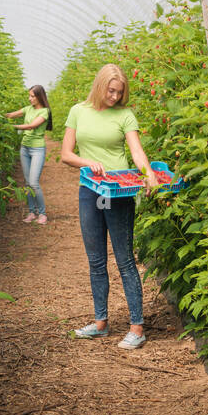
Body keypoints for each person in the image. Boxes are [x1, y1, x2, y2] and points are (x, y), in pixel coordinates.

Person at [59, 63, 160, 350]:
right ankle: (101, 323)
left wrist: (149, 174)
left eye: (119, 92)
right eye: (111, 90)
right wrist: (87, 162)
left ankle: (137, 327)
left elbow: (136, 151)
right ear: (100, 85)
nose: (115, 97)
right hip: (90, 190)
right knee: (96, 260)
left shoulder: (125, 115)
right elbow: (66, 153)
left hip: (119, 190)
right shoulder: (78, 111)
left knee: (125, 259)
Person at [5, 85, 52, 224]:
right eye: (29, 96)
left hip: (37, 149)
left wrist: (12, 127)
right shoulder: (27, 109)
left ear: (39, 96)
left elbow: (32, 125)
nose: (29, 98)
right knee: (27, 184)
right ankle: (32, 212)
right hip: (24, 148)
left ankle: (42, 214)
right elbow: (11, 115)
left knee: (34, 183)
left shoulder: (45, 112)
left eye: (32, 96)